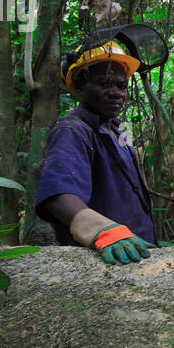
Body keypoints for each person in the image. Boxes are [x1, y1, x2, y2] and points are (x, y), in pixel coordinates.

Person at [35, 40, 157, 263]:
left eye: (121, 86)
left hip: (137, 254)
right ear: (81, 85)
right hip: (105, 260)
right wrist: (101, 230)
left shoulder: (116, 128)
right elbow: (58, 195)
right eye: (104, 83)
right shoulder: (72, 130)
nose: (116, 93)